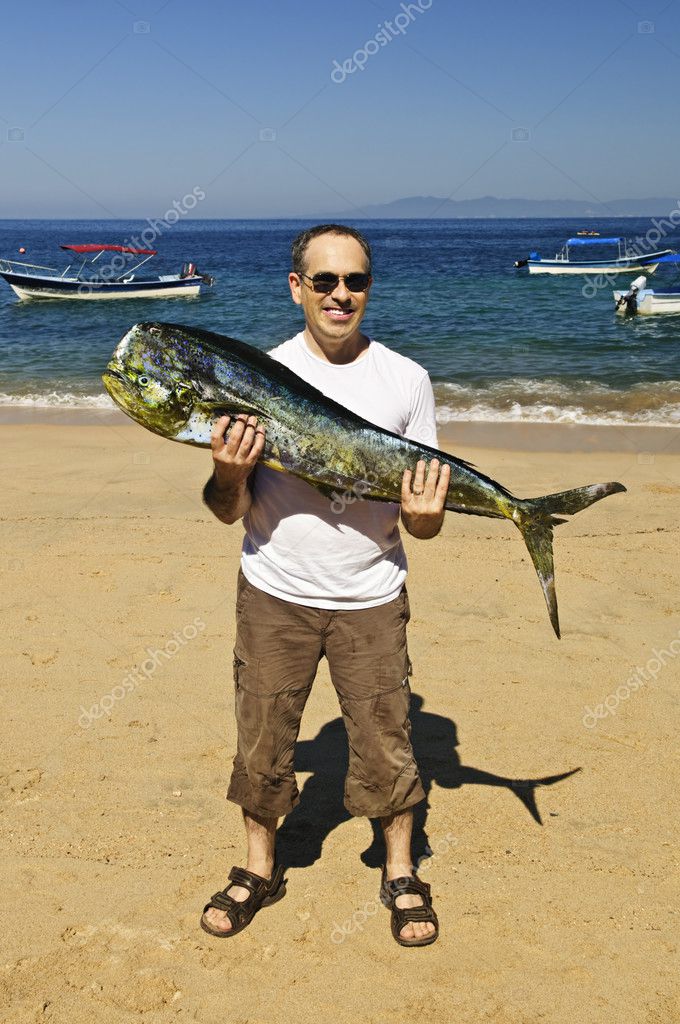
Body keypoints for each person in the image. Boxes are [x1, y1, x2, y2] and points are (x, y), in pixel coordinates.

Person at [200, 224, 450, 947]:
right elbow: (225, 512)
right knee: (262, 736)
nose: (342, 295)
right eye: (326, 281)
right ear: (297, 288)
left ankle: (400, 869)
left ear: (369, 287)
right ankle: (257, 868)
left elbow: (424, 528)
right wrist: (228, 472)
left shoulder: (407, 380)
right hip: (274, 592)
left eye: (356, 281)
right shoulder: (255, 376)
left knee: (386, 739)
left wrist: (425, 515)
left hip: (372, 595)